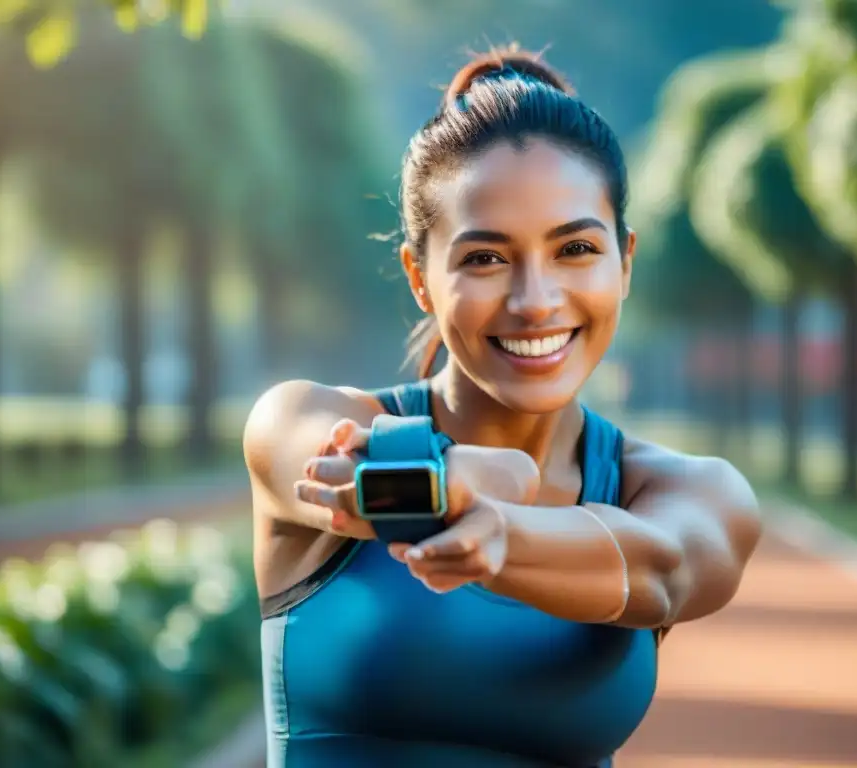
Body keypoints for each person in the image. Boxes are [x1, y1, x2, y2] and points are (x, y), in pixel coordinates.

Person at [243, 47, 762, 768]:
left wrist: (503, 533)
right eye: (485, 258)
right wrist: (468, 480)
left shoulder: (687, 493)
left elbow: (662, 567)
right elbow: (352, 472)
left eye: (575, 248)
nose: (535, 301)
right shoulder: (295, 417)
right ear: (420, 277)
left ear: (626, 262)